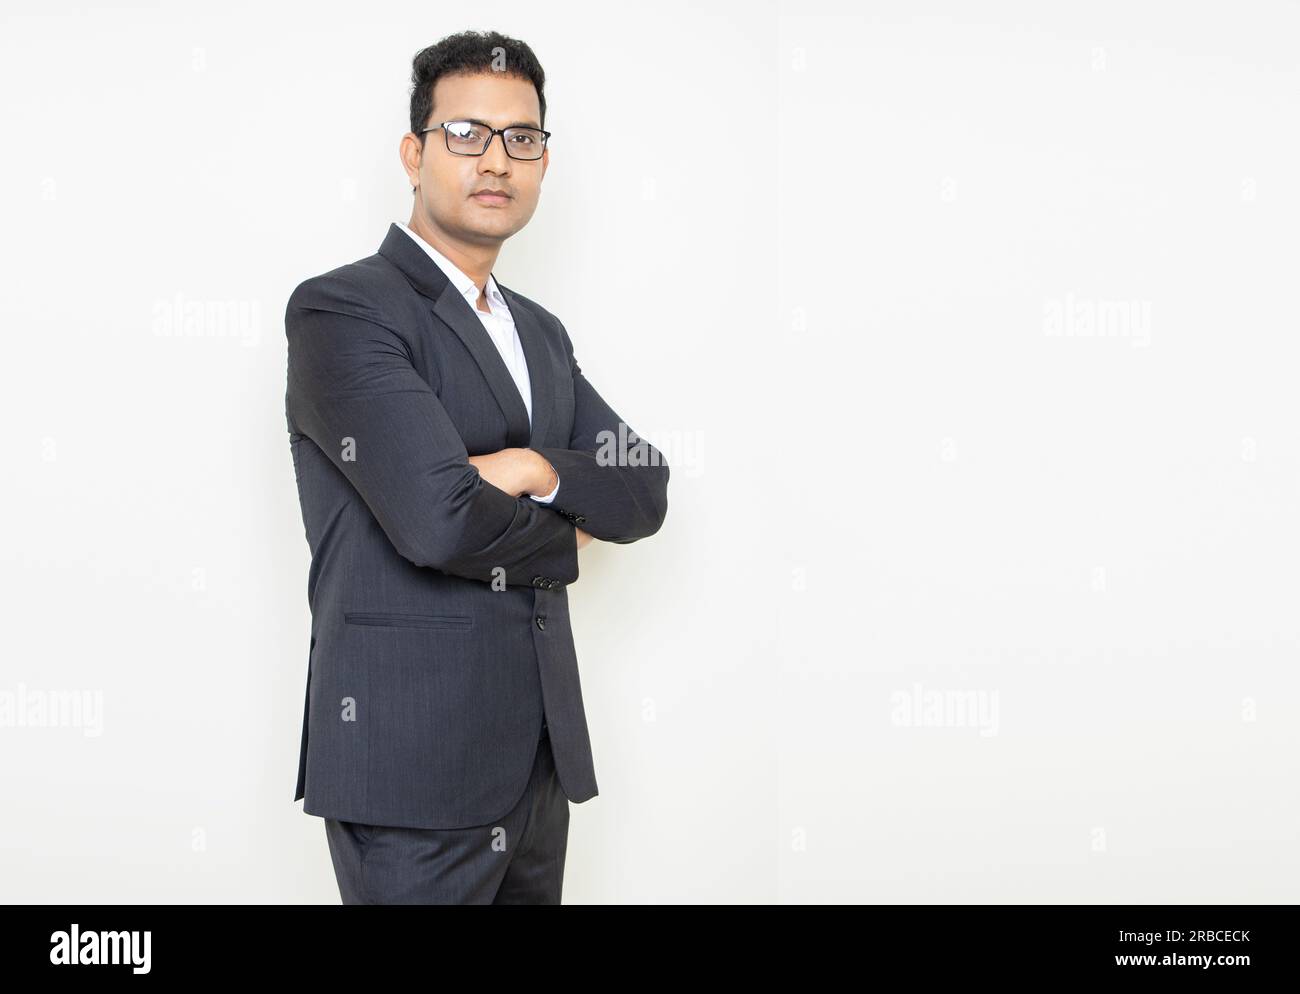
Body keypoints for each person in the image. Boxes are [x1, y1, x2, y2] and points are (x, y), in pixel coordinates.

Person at [283, 30, 669, 903]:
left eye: (521, 139)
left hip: (537, 765)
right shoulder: (345, 310)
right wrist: (564, 536)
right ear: (414, 153)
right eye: (466, 133)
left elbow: (643, 483)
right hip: (410, 769)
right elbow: (438, 515)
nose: (497, 160)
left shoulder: (540, 331)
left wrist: (532, 465)